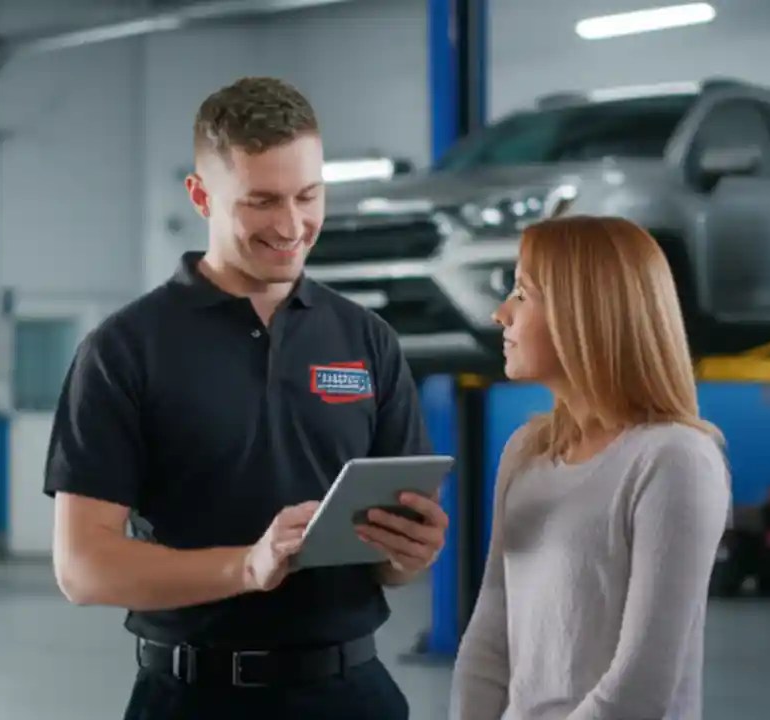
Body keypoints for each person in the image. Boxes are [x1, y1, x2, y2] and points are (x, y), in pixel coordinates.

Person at [44, 76, 447, 720]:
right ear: (201, 195)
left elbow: (391, 565)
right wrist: (245, 567)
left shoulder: (367, 340)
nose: (292, 225)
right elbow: (83, 567)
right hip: (194, 698)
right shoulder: (125, 349)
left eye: (308, 196)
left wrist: (409, 554)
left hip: (355, 693)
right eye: (261, 201)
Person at [449, 216, 732, 720]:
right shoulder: (527, 451)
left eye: (521, 293)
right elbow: (491, 633)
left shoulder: (674, 460)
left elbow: (639, 688)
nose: (500, 313)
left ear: (582, 313)